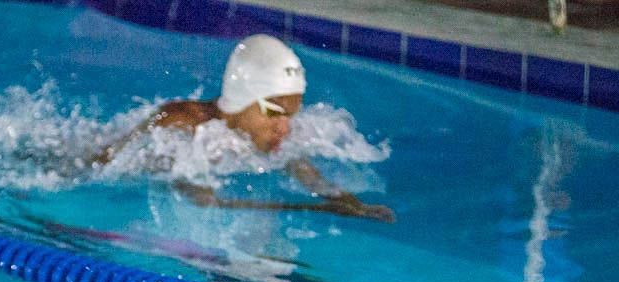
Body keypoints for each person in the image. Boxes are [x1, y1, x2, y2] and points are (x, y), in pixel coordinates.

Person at [94, 34, 396, 223]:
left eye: (291, 115)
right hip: (103, 189)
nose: (285, 128)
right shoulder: (183, 127)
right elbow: (206, 203)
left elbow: (310, 176)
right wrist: (317, 210)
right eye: (274, 113)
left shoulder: (263, 136)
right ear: (241, 100)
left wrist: (353, 205)